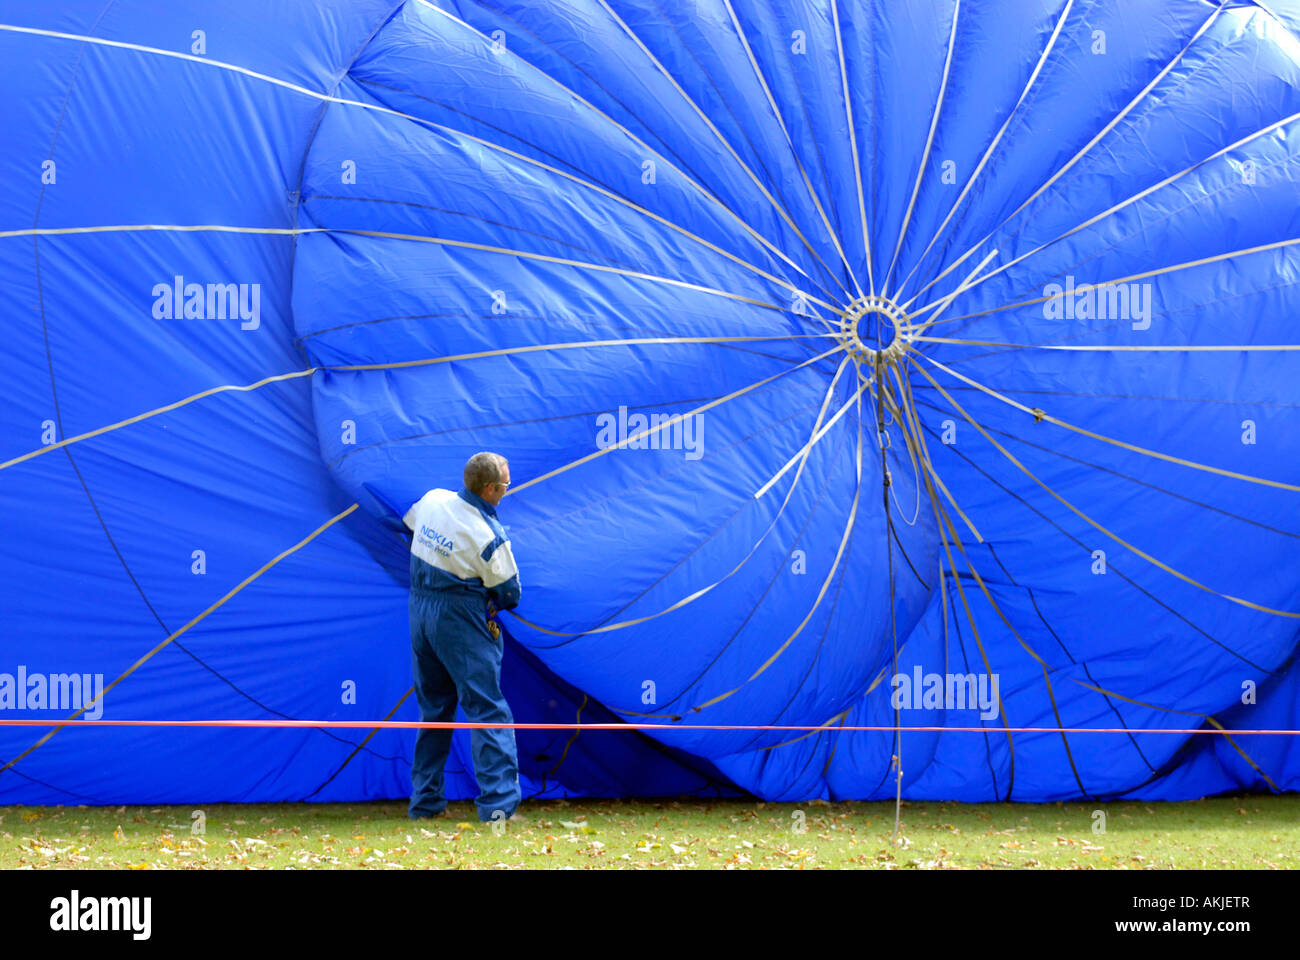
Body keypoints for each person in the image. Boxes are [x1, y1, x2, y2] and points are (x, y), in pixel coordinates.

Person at [402, 451, 522, 823]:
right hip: (460, 618)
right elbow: (509, 593)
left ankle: (425, 805)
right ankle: (498, 808)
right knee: (487, 708)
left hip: (420, 611)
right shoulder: (490, 536)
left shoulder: (432, 500)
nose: (506, 490)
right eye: (504, 485)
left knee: (435, 710)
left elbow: (409, 525)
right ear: (490, 488)